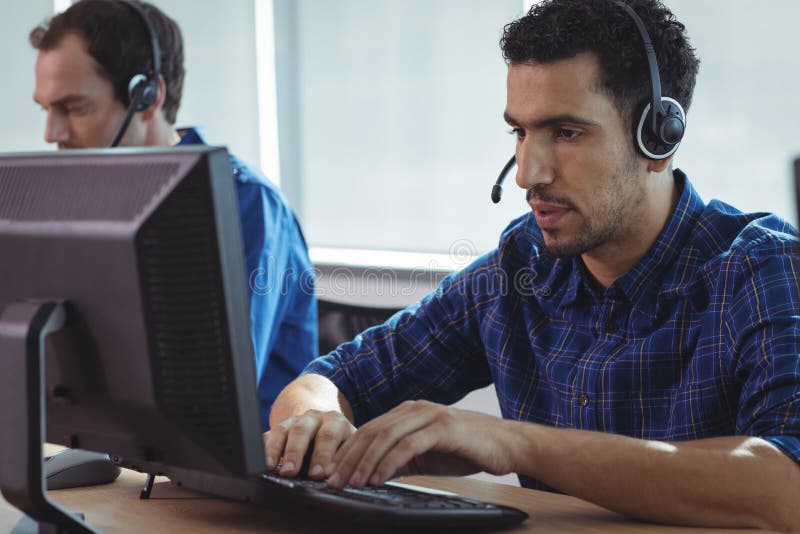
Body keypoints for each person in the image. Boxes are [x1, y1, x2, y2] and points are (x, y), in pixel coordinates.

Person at [265, 0, 800, 530]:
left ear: (658, 138)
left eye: (566, 133)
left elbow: (786, 487)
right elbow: (327, 380)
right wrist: (317, 426)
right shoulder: (523, 266)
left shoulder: (761, 268)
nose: (527, 173)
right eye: (519, 133)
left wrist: (514, 442)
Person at [30, 0, 317, 431]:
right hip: (126, 464)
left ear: (148, 98)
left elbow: (209, 395)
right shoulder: (90, 203)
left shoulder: (243, 205)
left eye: (73, 108)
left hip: (243, 479)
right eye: (45, 109)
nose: (51, 134)